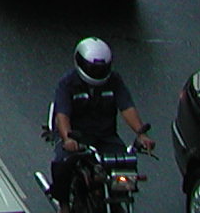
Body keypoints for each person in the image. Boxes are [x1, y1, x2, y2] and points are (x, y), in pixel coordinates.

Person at [47, 38, 154, 208]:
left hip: (105, 137)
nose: (97, 72)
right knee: (62, 163)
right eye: (93, 69)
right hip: (76, 137)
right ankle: (64, 204)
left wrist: (141, 133)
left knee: (125, 163)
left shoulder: (114, 81)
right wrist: (68, 139)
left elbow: (127, 107)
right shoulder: (67, 84)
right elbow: (63, 115)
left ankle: (118, 200)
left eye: (101, 69)